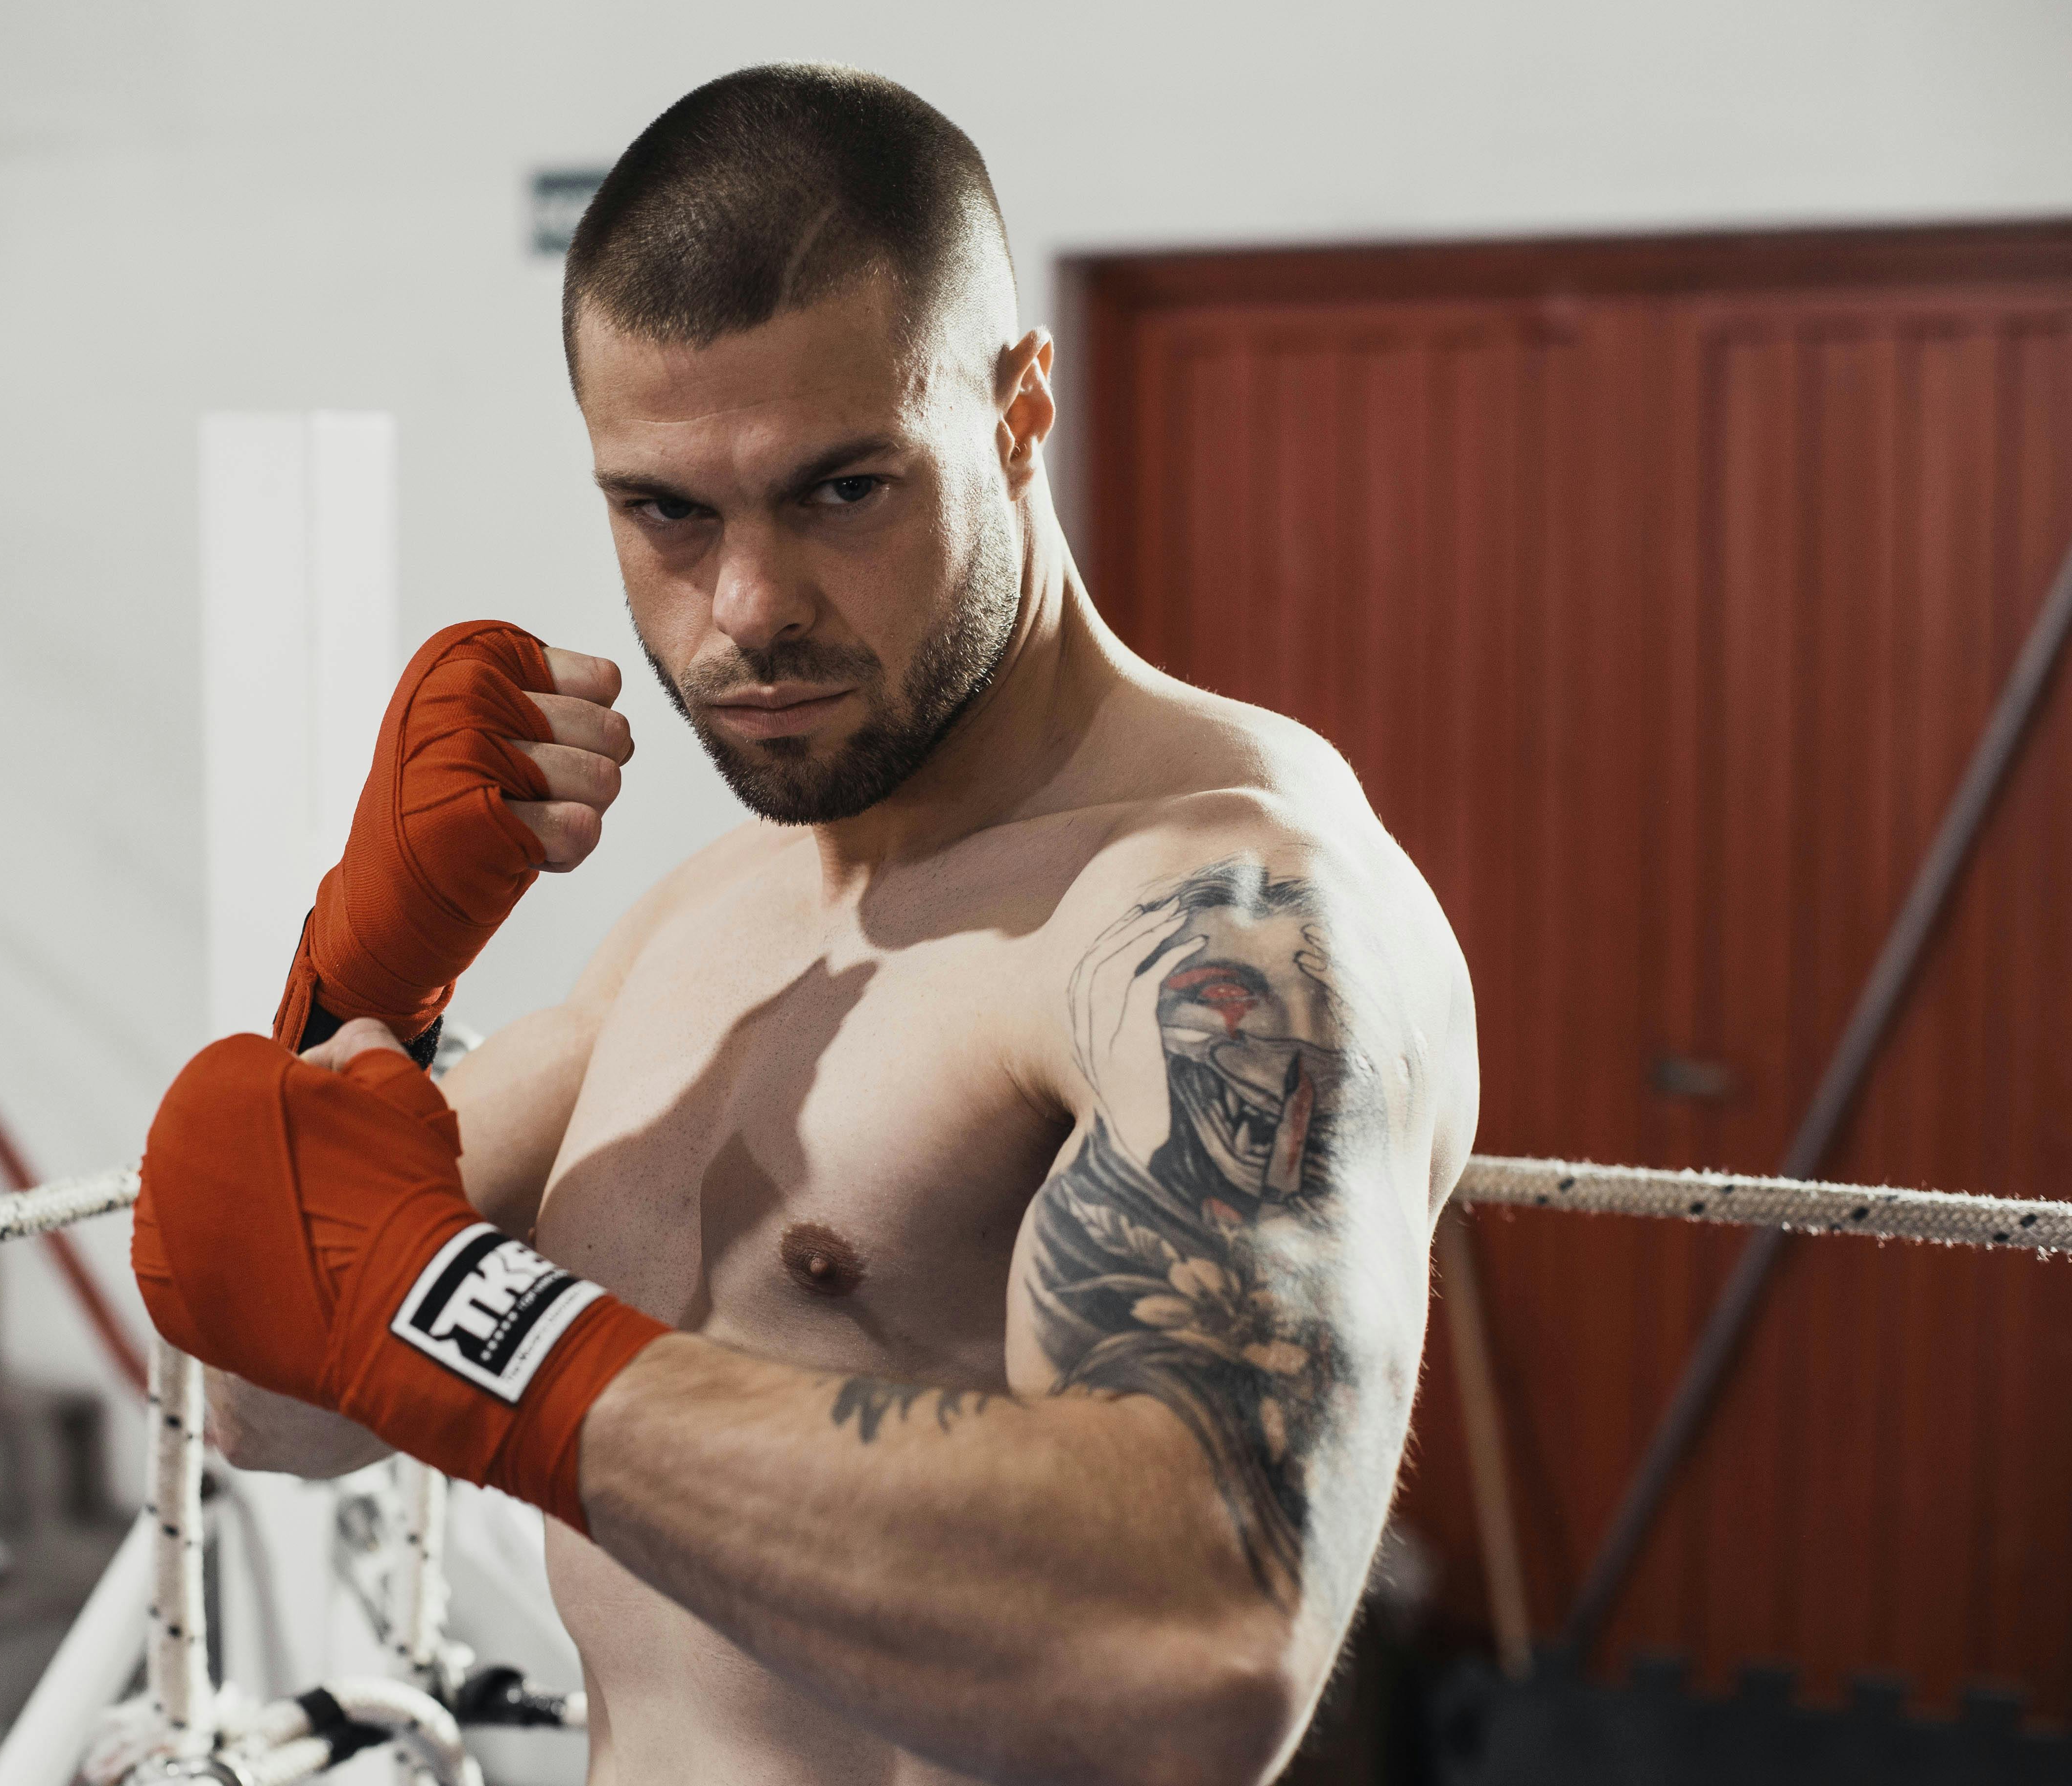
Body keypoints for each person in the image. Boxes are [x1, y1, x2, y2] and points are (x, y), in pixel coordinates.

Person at [134, 63, 1478, 1786]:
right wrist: (366, 984)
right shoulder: (708, 918)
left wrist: (485, 1332)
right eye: (667, 513)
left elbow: (1202, 1645)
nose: (749, 609)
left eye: (844, 489)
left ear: (1015, 413)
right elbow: (282, 1392)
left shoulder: (1224, 905)